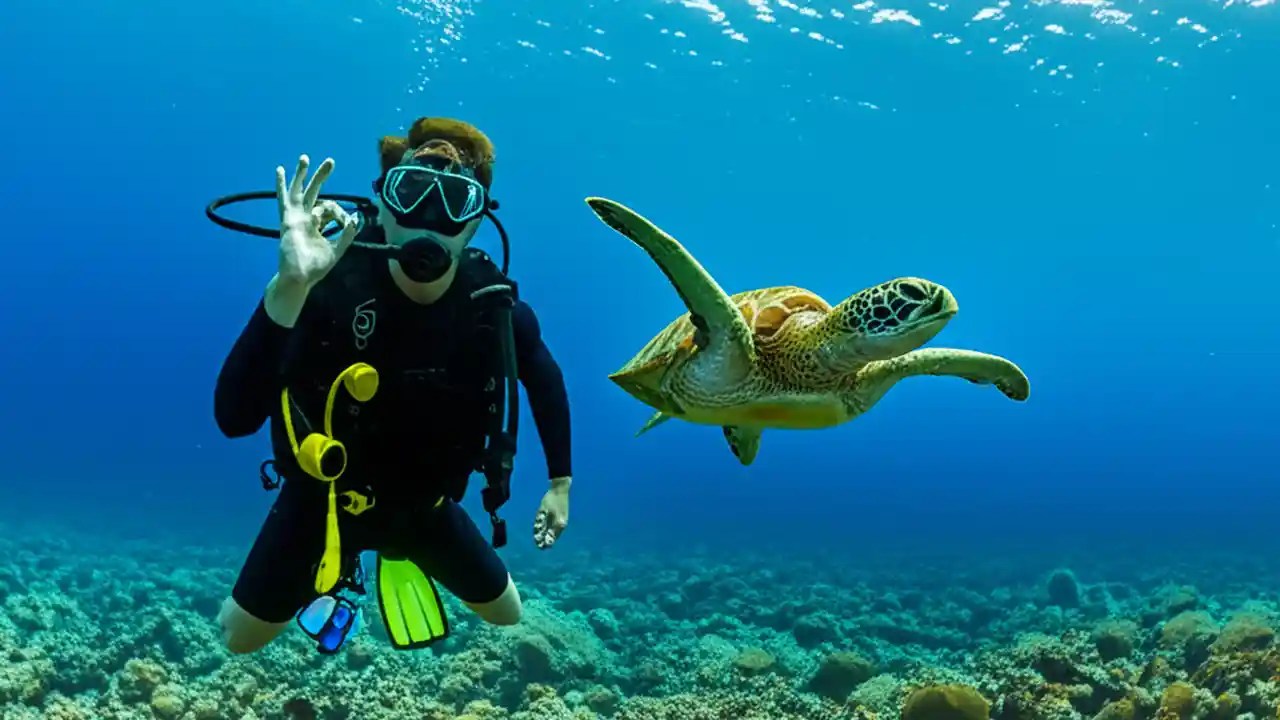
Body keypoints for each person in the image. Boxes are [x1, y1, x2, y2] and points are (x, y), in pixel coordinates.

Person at [212, 117, 573, 654]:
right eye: (411, 192)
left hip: (424, 509)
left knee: (507, 614)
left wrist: (560, 484)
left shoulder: (494, 310)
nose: (431, 217)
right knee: (239, 641)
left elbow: (545, 382)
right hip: (321, 503)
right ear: (380, 205)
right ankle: (341, 574)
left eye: (456, 201)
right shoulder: (325, 284)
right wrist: (288, 287)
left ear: (476, 220)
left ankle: (397, 559)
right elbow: (234, 418)